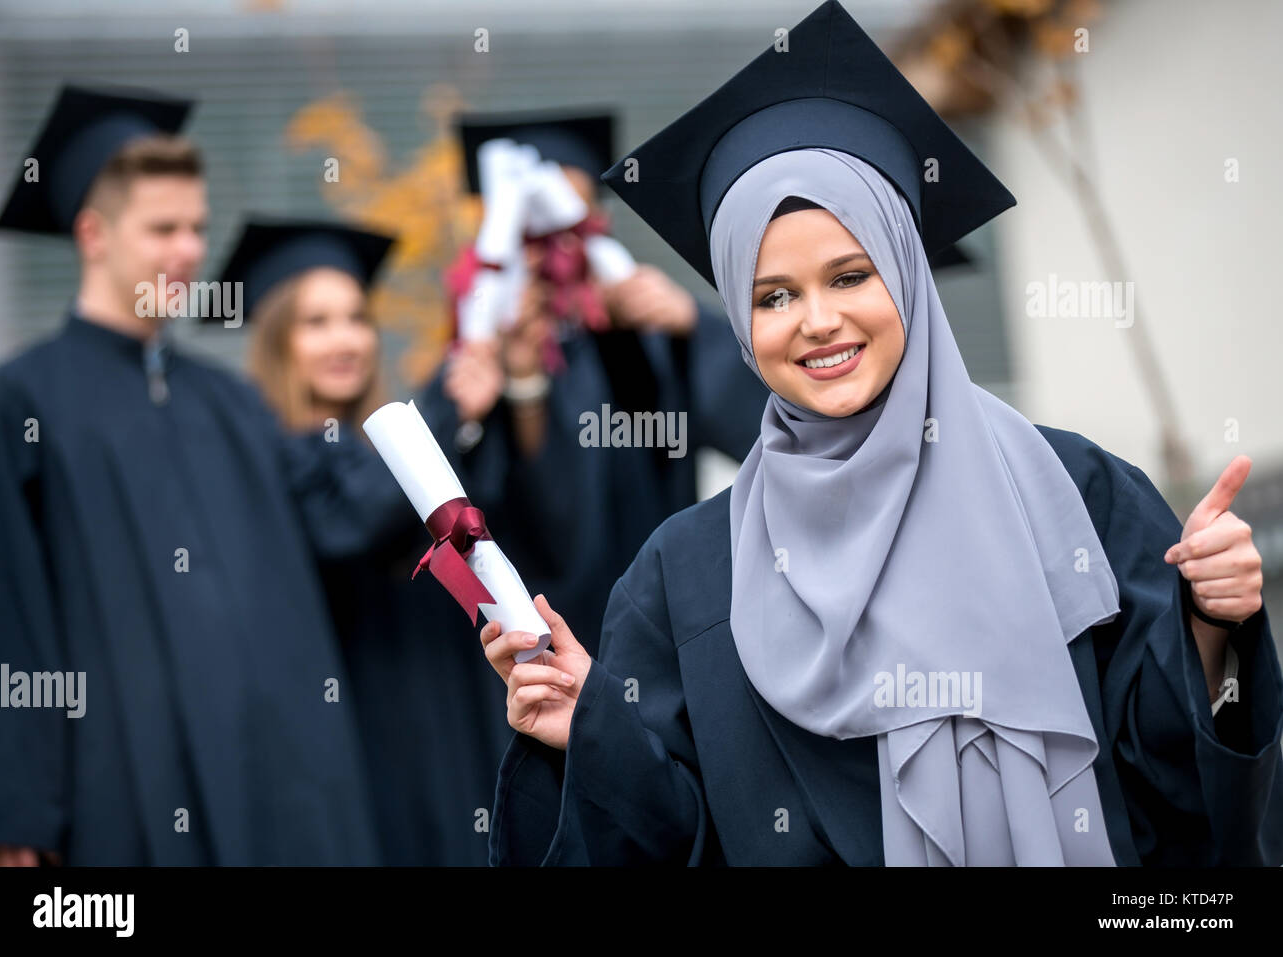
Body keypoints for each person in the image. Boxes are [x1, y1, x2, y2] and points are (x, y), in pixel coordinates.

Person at [479, 1, 1283, 866]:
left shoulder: (1077, 495)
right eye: (773, 294)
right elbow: (680, 839)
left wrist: (1212, 623)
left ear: (906, 272)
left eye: (850, 274)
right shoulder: (687, 579)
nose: (817, 321)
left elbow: (1179, 803)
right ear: (742, 326)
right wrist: (592, 731)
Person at [0, 86, 412, 866]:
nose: (187, 250)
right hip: (117, 785)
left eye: (196, 228)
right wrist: (14, 807)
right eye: (162, 229)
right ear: (93, 233)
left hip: (273, 779)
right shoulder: (19, 400)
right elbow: (3, 615)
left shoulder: (232, 403)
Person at [422, 108, 772, 655]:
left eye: (570, 222)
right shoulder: (471, 359)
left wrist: (691, 327)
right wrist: (512, 380)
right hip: (531, 639)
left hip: (662, 619)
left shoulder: (642, 333)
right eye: (532, 228)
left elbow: (753, 429)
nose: (555, 248)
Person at [222, 217, 507, 865]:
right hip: (353, 718)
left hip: (444, 700)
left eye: (355, 318)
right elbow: (353, 522)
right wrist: (441, 403)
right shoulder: (269, 458)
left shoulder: (368, 451)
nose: (345, 338)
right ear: (277, 342)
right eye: (316, 322)